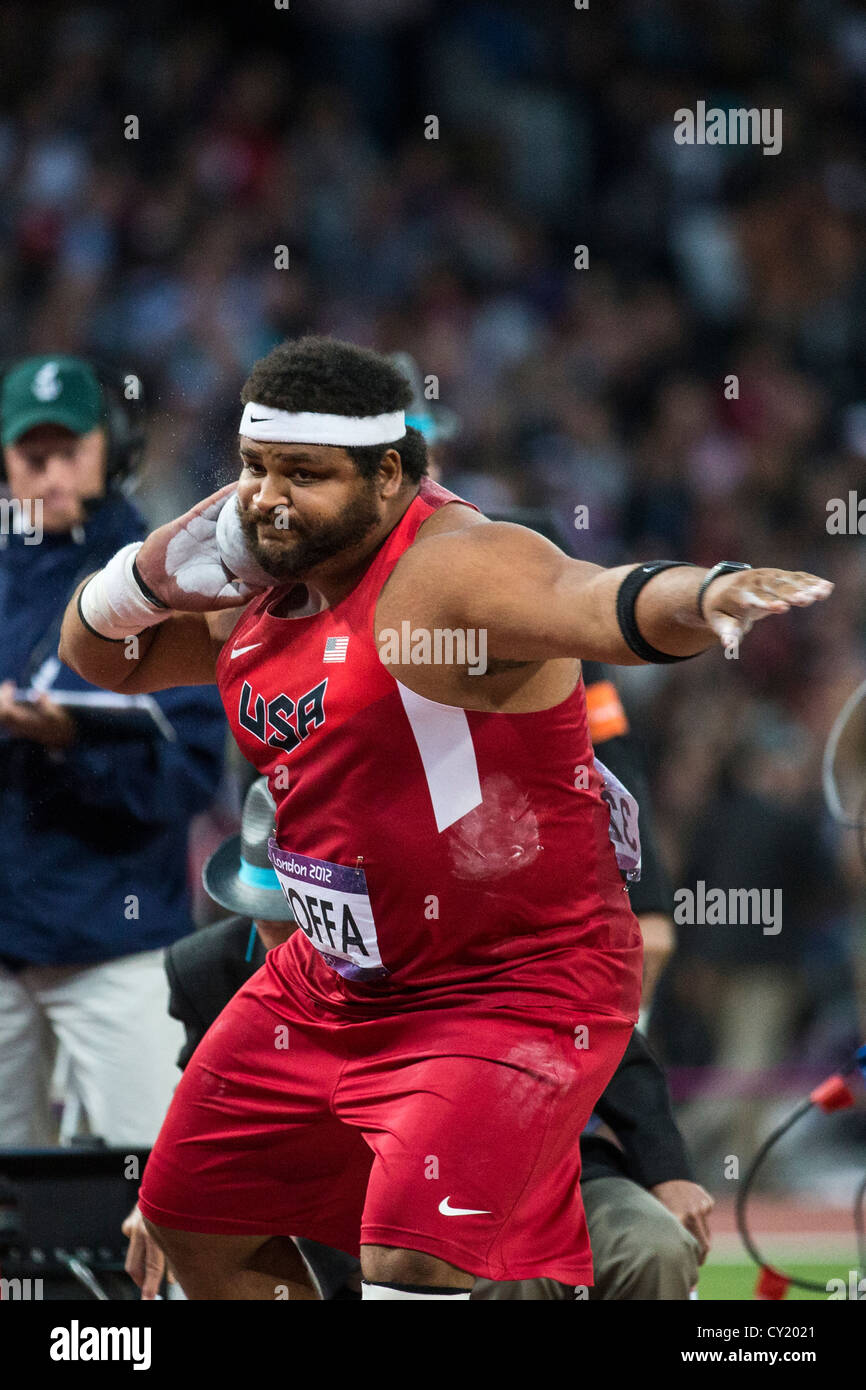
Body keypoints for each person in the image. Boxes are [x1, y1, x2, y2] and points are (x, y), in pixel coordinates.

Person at [59, 335, 831, 1300]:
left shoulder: (452, 570)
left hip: (506, 980)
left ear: (387, 475)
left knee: (411, 1254)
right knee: (189, 1214)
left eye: (304, 473)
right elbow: (103, 659)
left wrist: (707, 592)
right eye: (254, 468)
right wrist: (146, 575)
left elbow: (597, 601)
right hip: (336, 978)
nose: (267, 496)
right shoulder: (261, 584)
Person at [123, 777, 710, 1301]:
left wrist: (669, 1172)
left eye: (294, 916)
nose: (282, 935)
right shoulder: (205, 972)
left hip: (547, 1164)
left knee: (653, 1248)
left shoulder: (440, 932)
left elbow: (610, 1047)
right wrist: (159, 1201)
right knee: (501, 1276)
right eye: (264, 914)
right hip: (357, 1197)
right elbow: (211, 1106)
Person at [0, 353, 226, 1147]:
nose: (53, 472)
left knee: (165, 1193)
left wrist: (70, 742)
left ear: (115, 452)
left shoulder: (160, 575)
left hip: (117, 942)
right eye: (34, 455)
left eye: (72, 450)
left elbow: (193, 774)